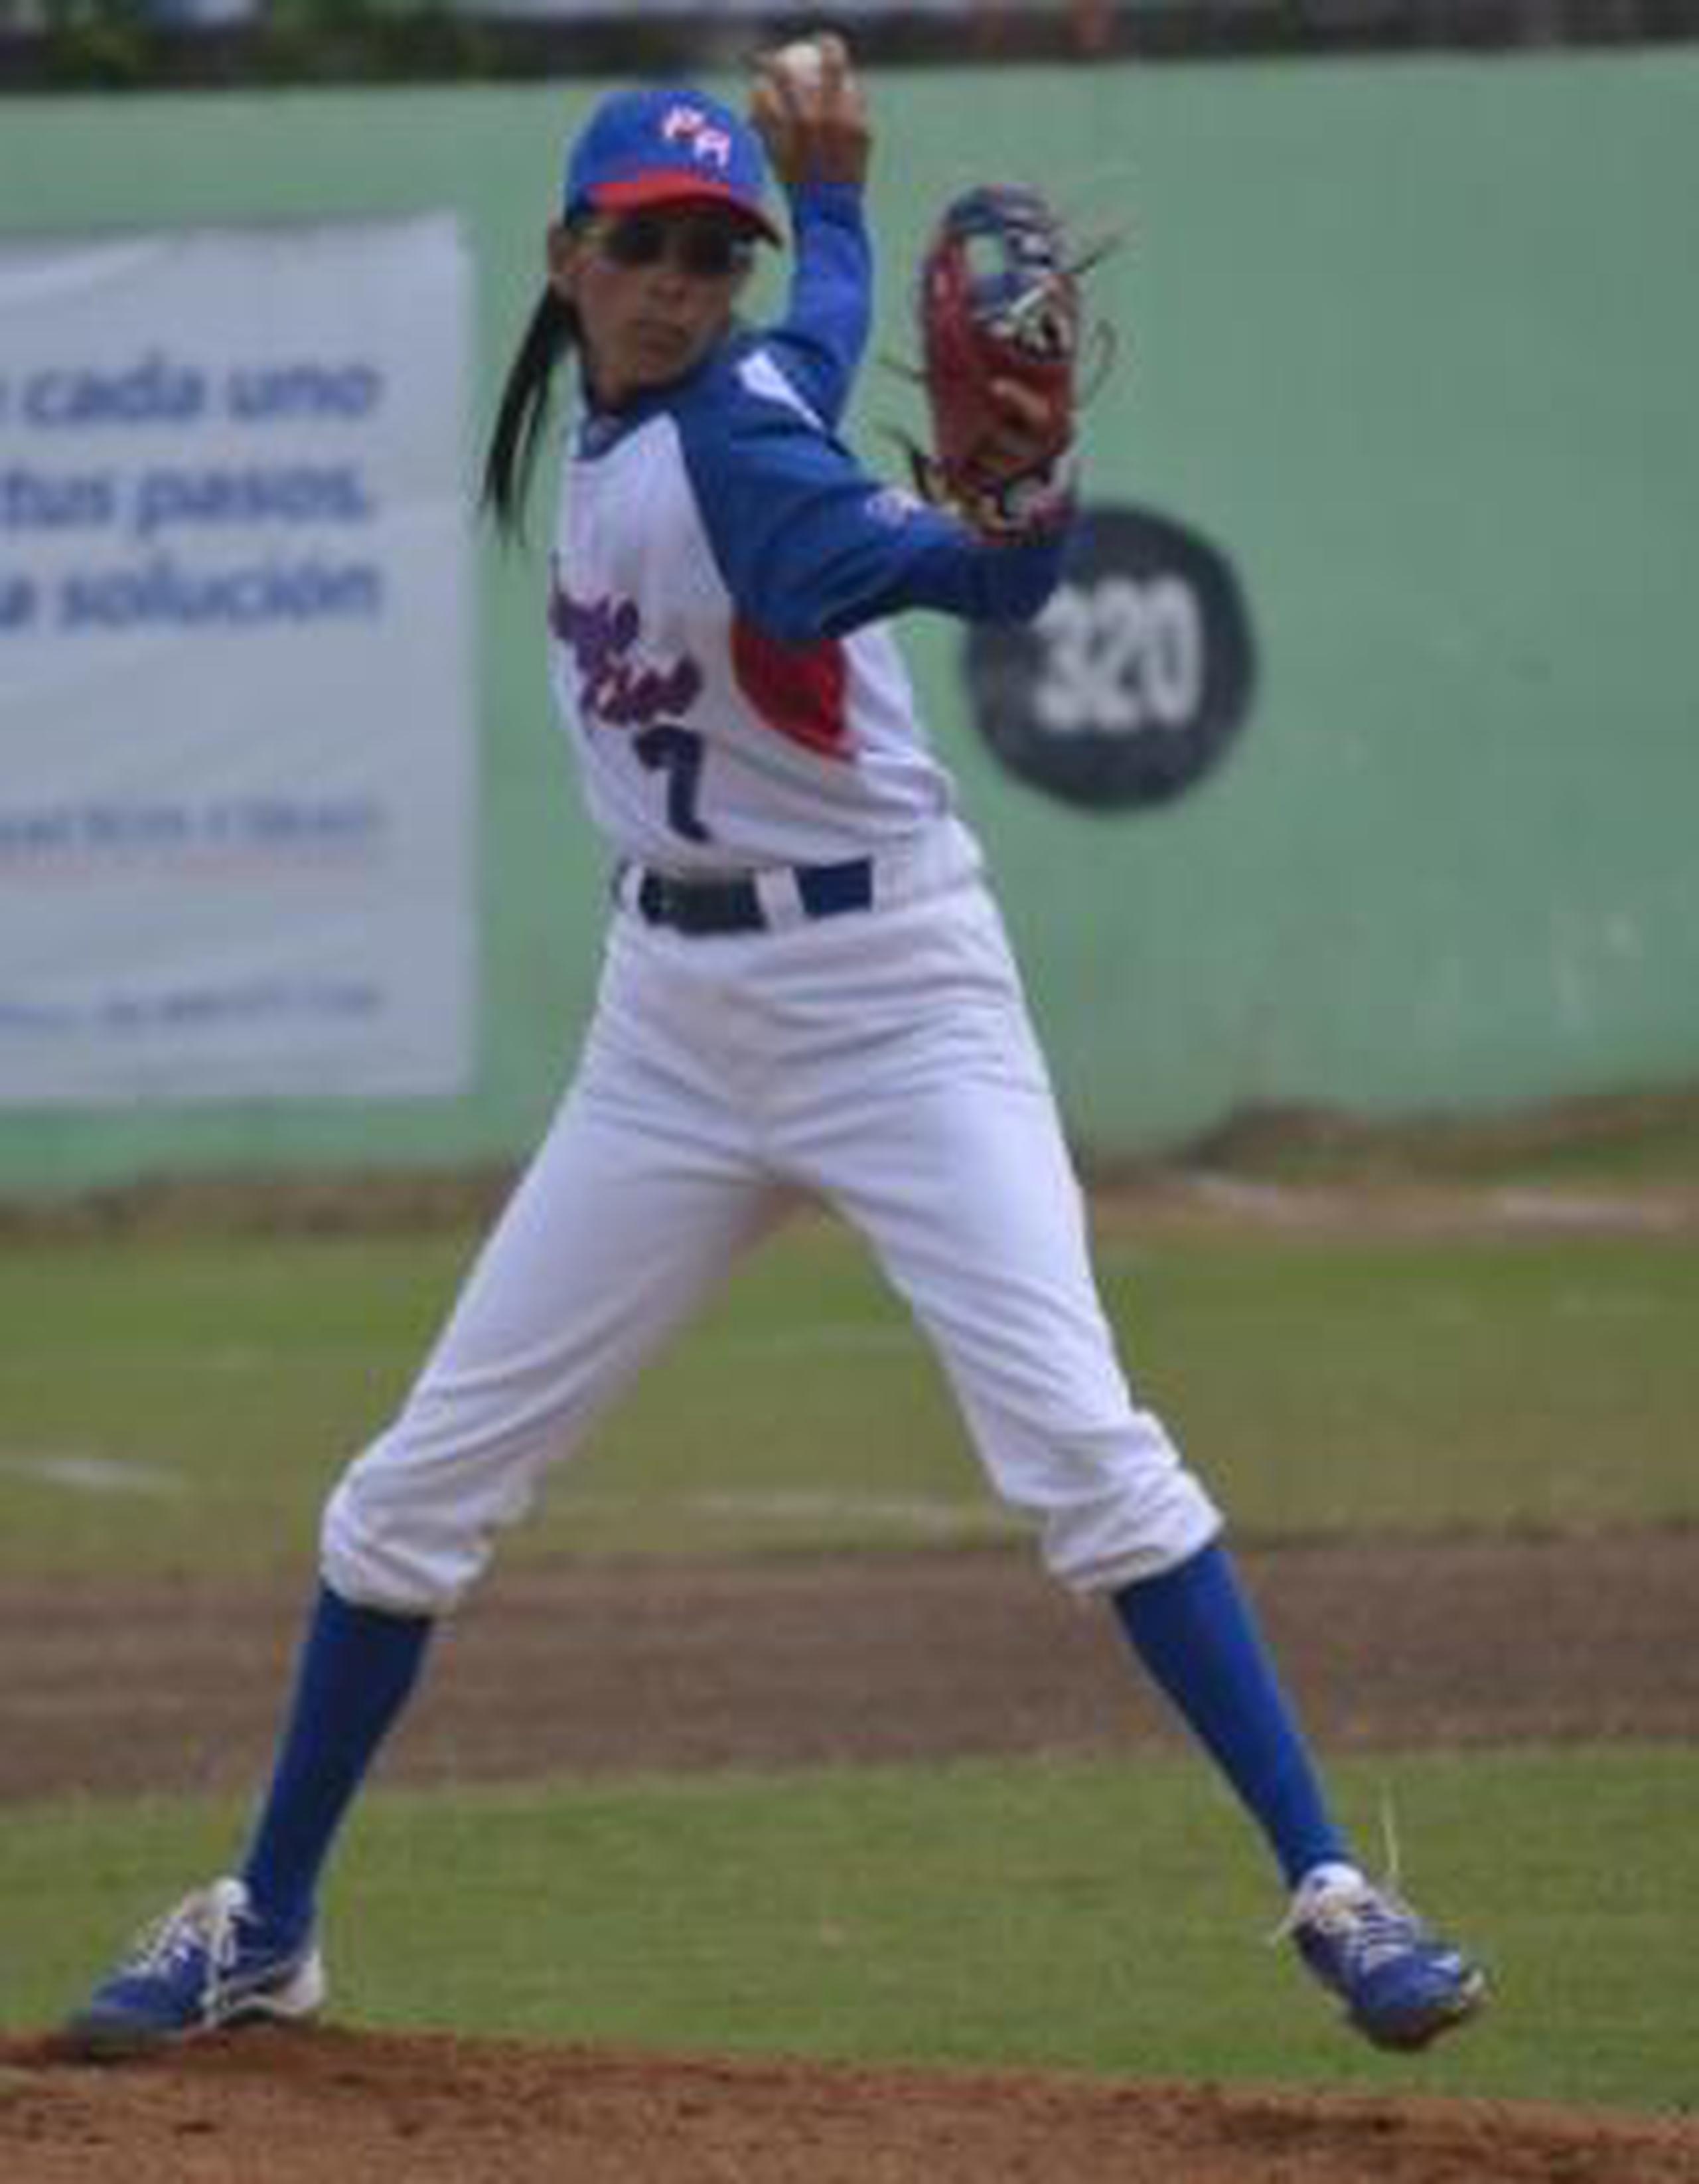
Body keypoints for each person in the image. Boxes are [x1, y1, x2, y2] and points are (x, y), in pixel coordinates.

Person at [66, 38, 1485, 2061]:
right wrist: (825, 204)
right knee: (408, 1499)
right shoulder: (703, 391)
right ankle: (267, 1922)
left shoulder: (732, 454)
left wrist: (1009, 530)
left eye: (708, 252)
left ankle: (1335, 1887)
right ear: (570, 259)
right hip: (670, 1026)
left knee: (1084, 1448)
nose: (681, 281)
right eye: (649, 245)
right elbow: (820, 341)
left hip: (896, 1000)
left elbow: (919, 562)